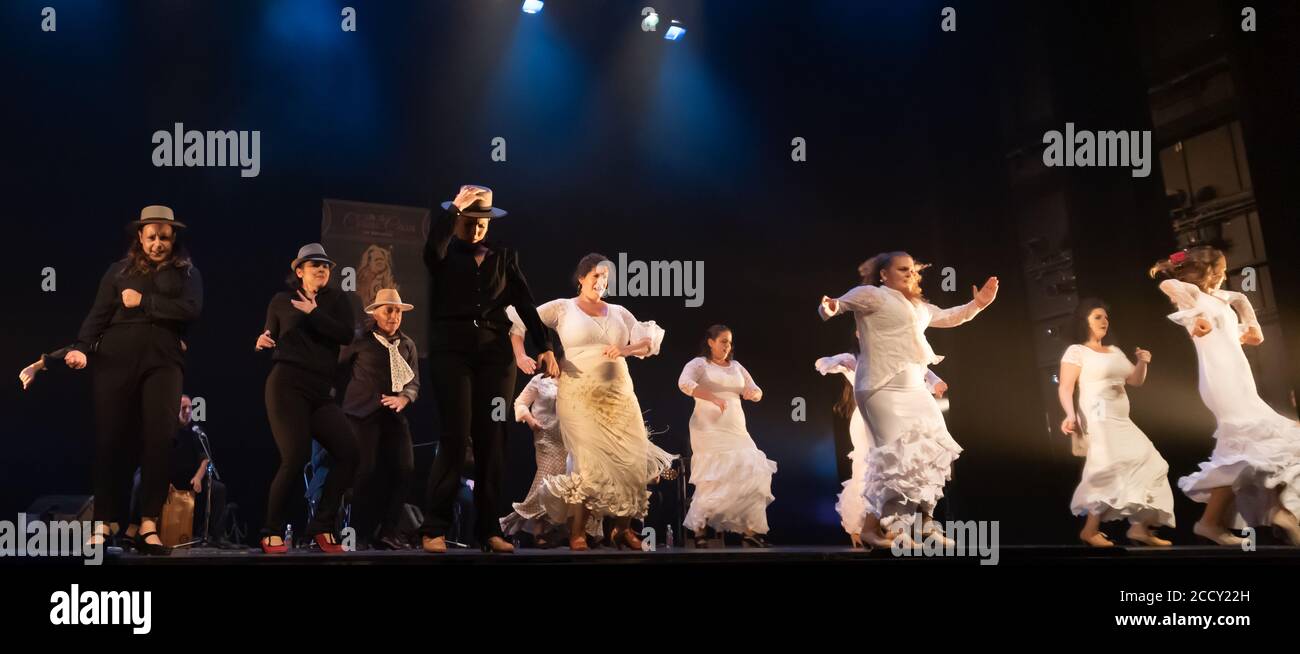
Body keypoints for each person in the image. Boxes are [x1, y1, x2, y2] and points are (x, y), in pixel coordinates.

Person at [818, 250, 996, 548]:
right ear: (884, 274)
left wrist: (978, 304)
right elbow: (836, 306)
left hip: (915, 389)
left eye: (912, 270)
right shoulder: (872, 295)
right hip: (880, 389)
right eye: (902, 269)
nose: (910, 274)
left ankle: (926, 524)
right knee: (895, 457)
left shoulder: (918, 306)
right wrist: (830, 307)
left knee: (931, 449)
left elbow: (951, 316)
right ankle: (871, 529)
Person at [420, 185, 558, 554]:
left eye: (484, 221)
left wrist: (544, 345)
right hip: (453, 353)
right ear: (460, 218)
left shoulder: (503, 258)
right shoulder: (445, 254)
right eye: (471, 220)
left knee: (492, 439)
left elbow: (526, 303)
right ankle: (434, 527)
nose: (478, 227)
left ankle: (488, 531)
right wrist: (453, 211)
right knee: (455, 435)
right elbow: (429, 251)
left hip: (495, 358)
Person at [64, 205, 203, 556]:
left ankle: (148, 523)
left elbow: (191, 310)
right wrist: (82, 347)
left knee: (159, 439)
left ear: (174, 239)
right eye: (152, 236)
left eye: (165, 238)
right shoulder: (118, 271)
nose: (158, 243)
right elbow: (98, 314)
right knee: (112, 439)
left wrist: (144, 302)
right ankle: (105, 522)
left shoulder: (187, 273)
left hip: (163, 361)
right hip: (116, 360)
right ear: (139, 237)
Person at [524, 253, 676, 551]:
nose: (601, 282)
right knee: (587, 462)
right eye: (596, 276)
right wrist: (532, 353)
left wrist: (625, 349)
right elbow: (519, 319)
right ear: (581, 278)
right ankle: (577, 531)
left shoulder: (619, 311)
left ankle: (622, 528)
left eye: (605, 277)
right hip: (580, 396)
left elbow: (650, 341)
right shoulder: (563, 308)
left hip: (619, 395)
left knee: (630, 461)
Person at [1152, 246, 1300, 545]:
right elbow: (1169, 285)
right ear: (1204, 272)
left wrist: (1249, 319)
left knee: (1253, 448)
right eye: (1218, 271)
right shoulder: (1192, 295)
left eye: (1223, 271)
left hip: (1239, 378)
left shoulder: (1219, 298)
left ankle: (1228, 519)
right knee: (1251, 443)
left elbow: (1243, 306)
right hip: (1220, 381)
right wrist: (1195, 319)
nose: (1222, 276)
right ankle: (1272, 513)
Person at [255, 243, 359, 554]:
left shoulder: (339, 300)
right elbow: (270, 333)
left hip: (320, 392)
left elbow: (345, 335)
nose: (321, 269)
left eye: (326, 265)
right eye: (314, 264)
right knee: (295, 457)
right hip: (287, 385)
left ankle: (321, 526)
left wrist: (314, 312)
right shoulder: (281, 300)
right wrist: (263, 339)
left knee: (350, 453)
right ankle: (270, 530)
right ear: (299, 271)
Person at [1057, 299, 1174, 547]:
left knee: (1153, 462)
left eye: (1106, 318)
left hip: (1121, 418)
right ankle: (1089, 531)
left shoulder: (1115, 351)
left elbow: (1135, 381)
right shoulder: (1077, 351)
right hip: (1098, 416)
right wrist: (1070, 414)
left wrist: (1143, 362)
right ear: (1084, 321)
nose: (1104, 321)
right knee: (1109, 465)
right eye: (1098, 317)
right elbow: (1066, 387)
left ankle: (1141, 528)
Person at [678, 325, 776, 548]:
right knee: (713, 476)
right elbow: (684, 384)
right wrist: (712, 397)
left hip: (735, 427)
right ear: (711, 342)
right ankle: (700, 530)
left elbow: (756, 389)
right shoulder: (698, 364)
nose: (727, 346)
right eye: (723, 341)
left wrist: (753, 394)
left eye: (730, 342)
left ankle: (750, 531)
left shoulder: (736, 366)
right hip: (708, 427)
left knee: (753, 470)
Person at [339, 289, 420, 550]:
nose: (394, 316)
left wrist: (404, 398)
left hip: (393, 414)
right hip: (361, 414)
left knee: (404, 469)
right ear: (375, 312)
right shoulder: (359, 338)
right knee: (365, 472)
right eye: (389, 310)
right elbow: (335, 366)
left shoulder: (407, 344)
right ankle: (357, 533)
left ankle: (388, 530)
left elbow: (414, 382)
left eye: (397, 311)